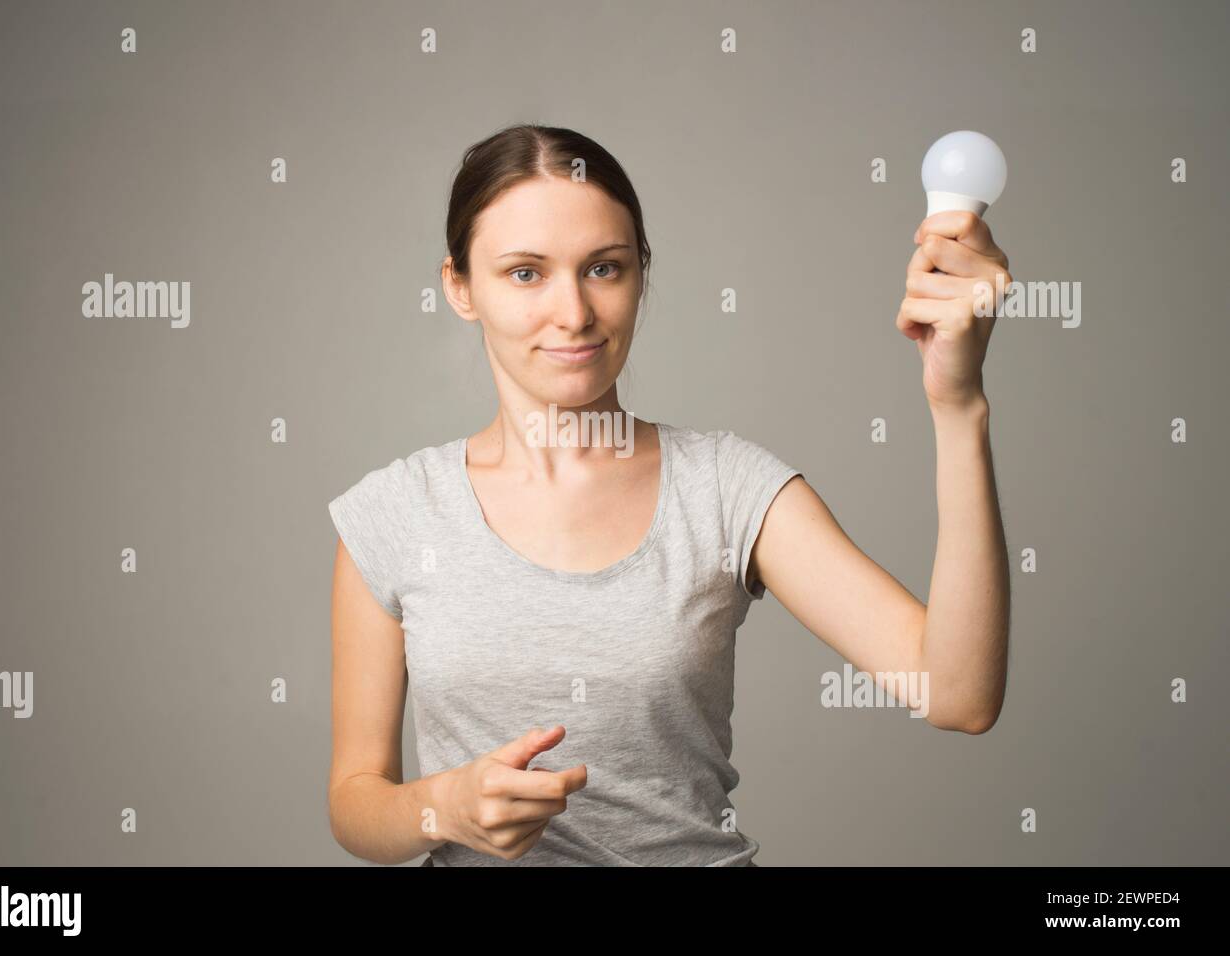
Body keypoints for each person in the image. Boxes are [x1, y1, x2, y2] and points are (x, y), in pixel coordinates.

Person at [326, 124, 1011, 866]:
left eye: (604, 268)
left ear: (641, 273)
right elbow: (356, 801)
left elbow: (957, 693)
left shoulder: (726, 490)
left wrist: (958, 402)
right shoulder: (393, 513)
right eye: (525, 273)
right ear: (460, 287)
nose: (574, 313)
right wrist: (441, 808)